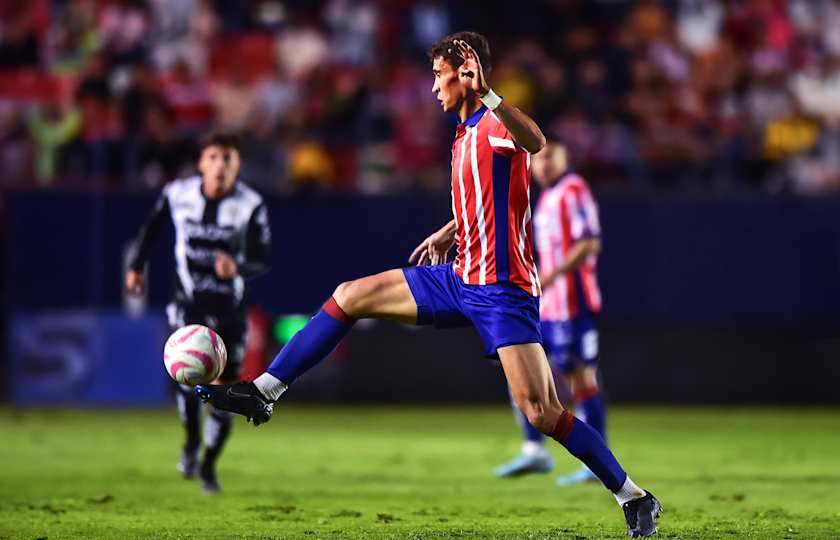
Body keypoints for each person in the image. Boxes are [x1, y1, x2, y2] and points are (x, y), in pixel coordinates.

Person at [195, 32, 661, 537]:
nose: (434, 87)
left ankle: (633, 497)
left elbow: (536, 142)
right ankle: (264, 390)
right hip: (460, 278)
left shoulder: (492, 124)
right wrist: (450, 229)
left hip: (504, 290)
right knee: (350, 295)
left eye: (440, 75)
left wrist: (490, 94)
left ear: (466, 72)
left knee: (544, 412)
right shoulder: (462, 135)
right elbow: (486, 203)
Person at [126, 132, 271, 493]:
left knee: (227, 393)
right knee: (186, 385)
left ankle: (207, 465)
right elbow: (151, 229)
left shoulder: (250, 204)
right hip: (188, 303)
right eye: (214, 157)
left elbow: (262, 257)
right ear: (201, 163)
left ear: (237, 166)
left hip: (229, 309)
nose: (221, 165)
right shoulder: (179, 194)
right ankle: (191, 441)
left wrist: (236, 265)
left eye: (229, 159)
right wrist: (135, 268)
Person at [494, 142, 607, 487]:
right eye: (537, 158)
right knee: (524, 369)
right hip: (547, 305)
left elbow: (590, 242)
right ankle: (534, 449)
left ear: (565, 158)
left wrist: (552, 275)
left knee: (580, 377)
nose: (541, 164)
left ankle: (593, 461)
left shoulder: (573, 189)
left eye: (548, 156)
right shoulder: (544, 199)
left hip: (574, 303)